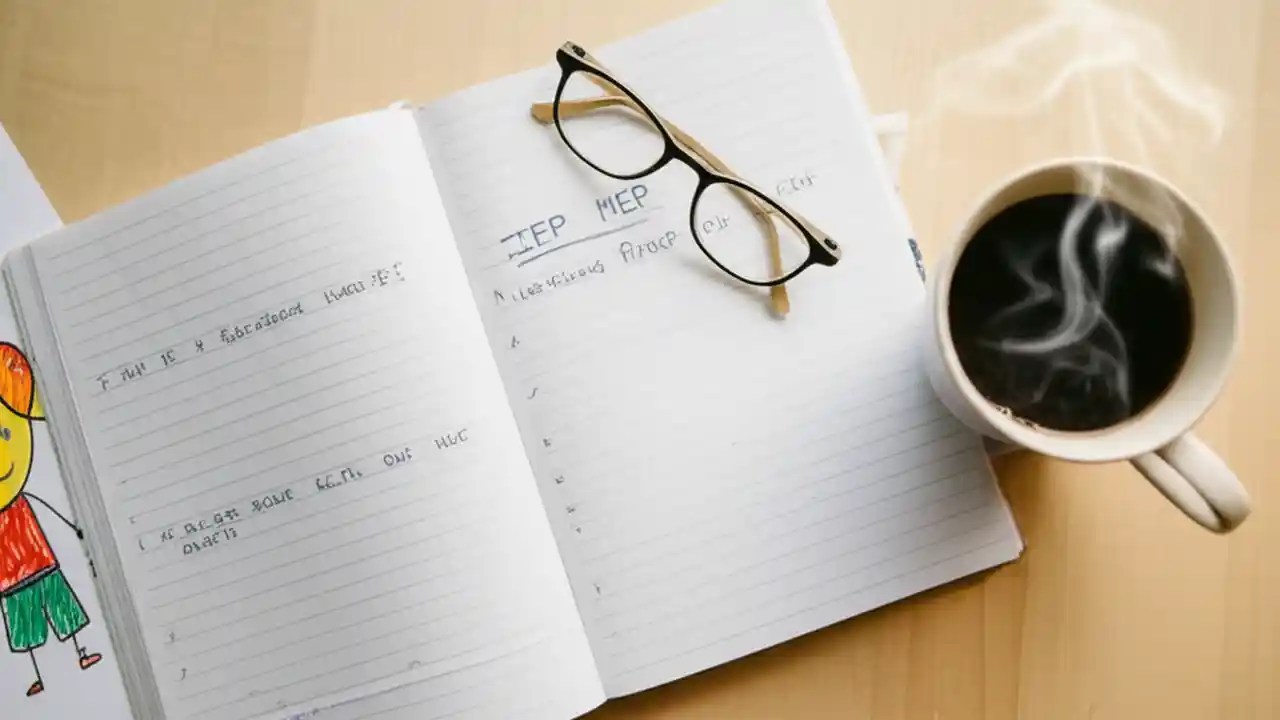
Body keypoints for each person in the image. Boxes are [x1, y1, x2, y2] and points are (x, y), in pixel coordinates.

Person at [0, 342, 100, 697]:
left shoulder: (22, 502)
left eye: (4, 435)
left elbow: (45, 505)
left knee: (61, 609)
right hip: (9, 580)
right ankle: (37, 675)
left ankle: (81, 651)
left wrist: (73, 529)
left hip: (40, 560)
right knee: (24, 625)